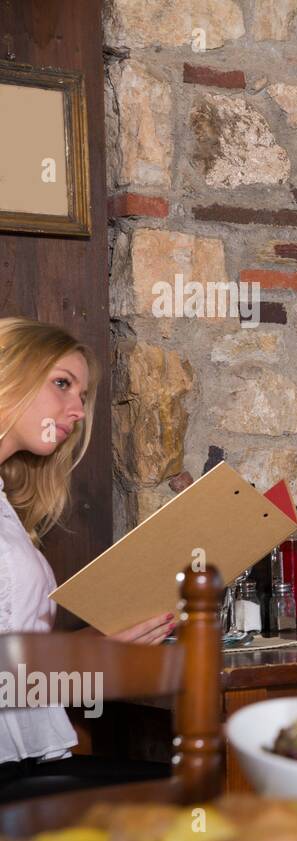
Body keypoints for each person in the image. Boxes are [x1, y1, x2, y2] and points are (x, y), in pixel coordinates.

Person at [0, 318, 174, 793]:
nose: (77, 410)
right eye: (62, 384)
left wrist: (97, 650)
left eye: (82, 394)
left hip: (27, 763)